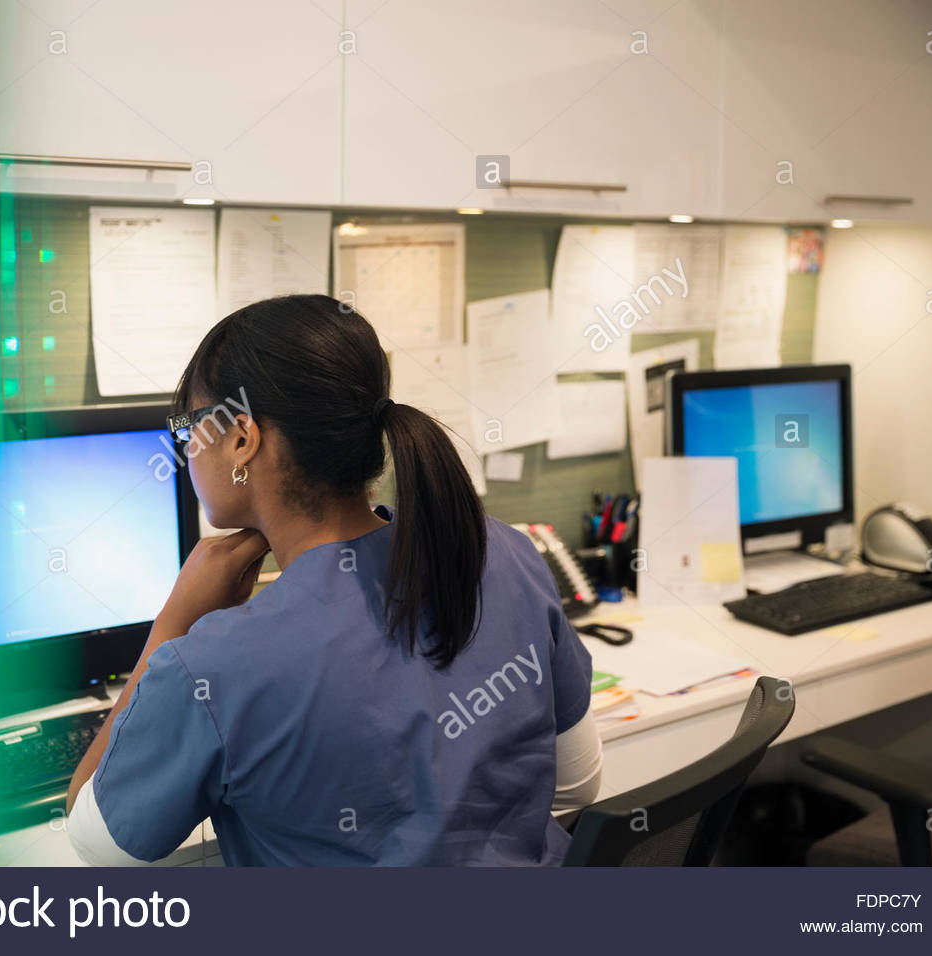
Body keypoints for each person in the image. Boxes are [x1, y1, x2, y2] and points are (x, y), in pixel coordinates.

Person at [66, 294, 601, 866]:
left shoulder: (213, 663)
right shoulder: (504, 552)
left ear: (242, 438)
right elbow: (575, 786)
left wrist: (174, 624)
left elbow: (98, 844)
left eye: (190, 426)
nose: (187, 447)